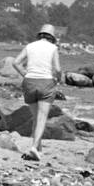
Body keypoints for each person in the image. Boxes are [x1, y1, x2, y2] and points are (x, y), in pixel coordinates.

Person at [11, 23, 62, 161]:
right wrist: (59, 79)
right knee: (42, 117)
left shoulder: (30, 46)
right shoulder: (53, 48)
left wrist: (25, 74)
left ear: (40, 35)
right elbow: (57, 69)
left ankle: (37, 147)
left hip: (29, 82)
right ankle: (34, 147)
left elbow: (15, 62)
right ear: (52, 37)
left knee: (36, 117)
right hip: (46, 82)